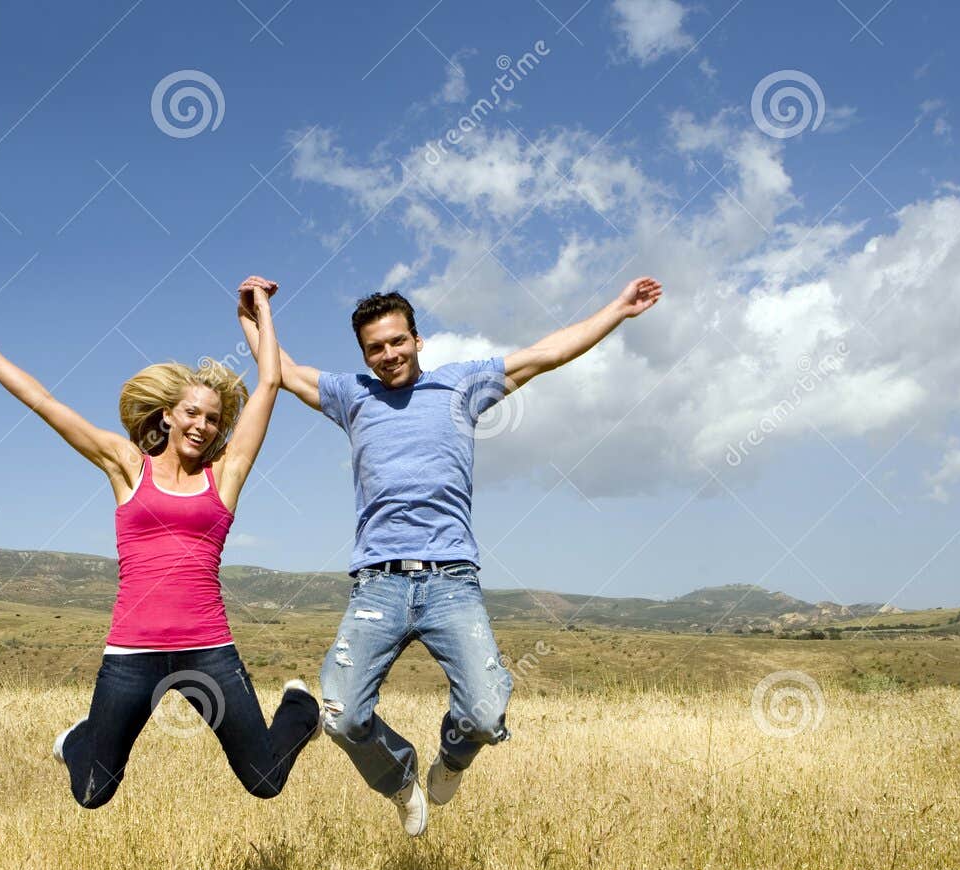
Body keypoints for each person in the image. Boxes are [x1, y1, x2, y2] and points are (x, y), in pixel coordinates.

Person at [238, 274, 662, 836]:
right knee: (340, 715)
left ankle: (452, 758)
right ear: (363, 354)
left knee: (487, 711)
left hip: (450, 581)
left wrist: (618, 309)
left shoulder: (461, 386)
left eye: (397, 341)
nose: (388, 355)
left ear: (417, 339)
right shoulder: (353, 396)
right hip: (378, 584)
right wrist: (251, 315)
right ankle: (398, 777)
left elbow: (547, 353)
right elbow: (284, 371)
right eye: (375, 348)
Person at [0, 278, 319, 809]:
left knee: (265, 780)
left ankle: (301, 707)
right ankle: (75, 740)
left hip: (207, 649)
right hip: (132, 653)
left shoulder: (224, 475)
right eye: (191, 413)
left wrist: (260, 313)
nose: (202, 426)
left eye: (212, 418)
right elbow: (43, 402)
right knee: (94, 792)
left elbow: (270, 384)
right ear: (166, 415)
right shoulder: (127, 465)